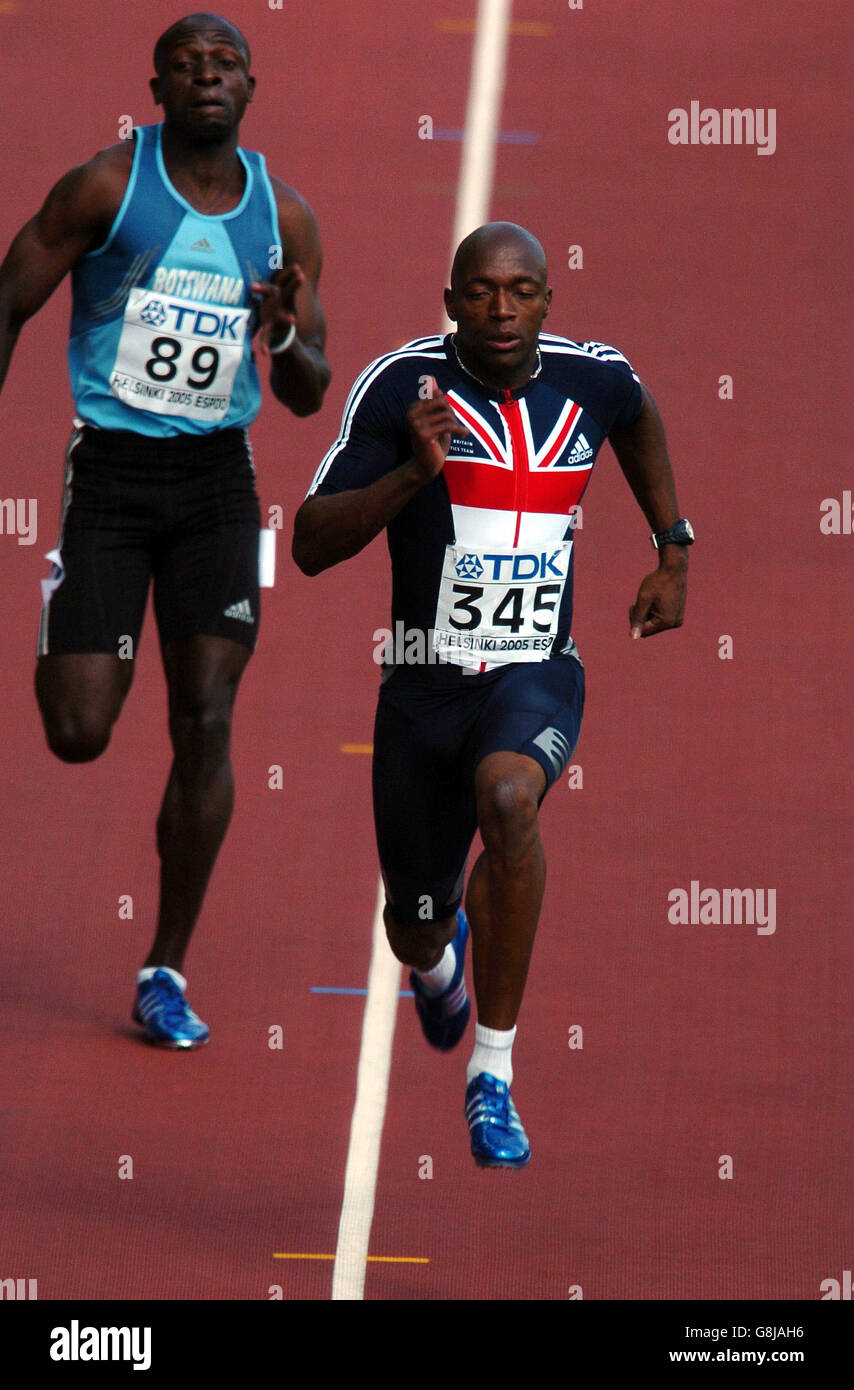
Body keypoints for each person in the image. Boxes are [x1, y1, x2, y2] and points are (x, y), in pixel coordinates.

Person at [293, 222, 692, 1167]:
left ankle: (494, 1077)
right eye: (480, 292)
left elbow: (637, 415)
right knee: (413, 927)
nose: (502, 309)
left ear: (550, 302)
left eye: (522, 291)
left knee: (511, 799)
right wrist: (411, 475)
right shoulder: (402, 389)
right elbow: (309, 542)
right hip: (423, 691)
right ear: (450, 302)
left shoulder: (594, 380)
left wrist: (673, 546)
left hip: (533, 671)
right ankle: (441, 967)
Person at [0, 13, 330, 1048]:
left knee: (207, 717)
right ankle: (78, 615)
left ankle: (165, 966)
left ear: (250, 85)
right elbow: (7, 298)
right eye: (186, 66)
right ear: (155, 87)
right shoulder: (105, 187)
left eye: (224, 64)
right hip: (108, 475)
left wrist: (283, 331)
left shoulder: (286, 217)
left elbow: (310, 392)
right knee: (78, 731)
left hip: (217, 490)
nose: (206, 78)